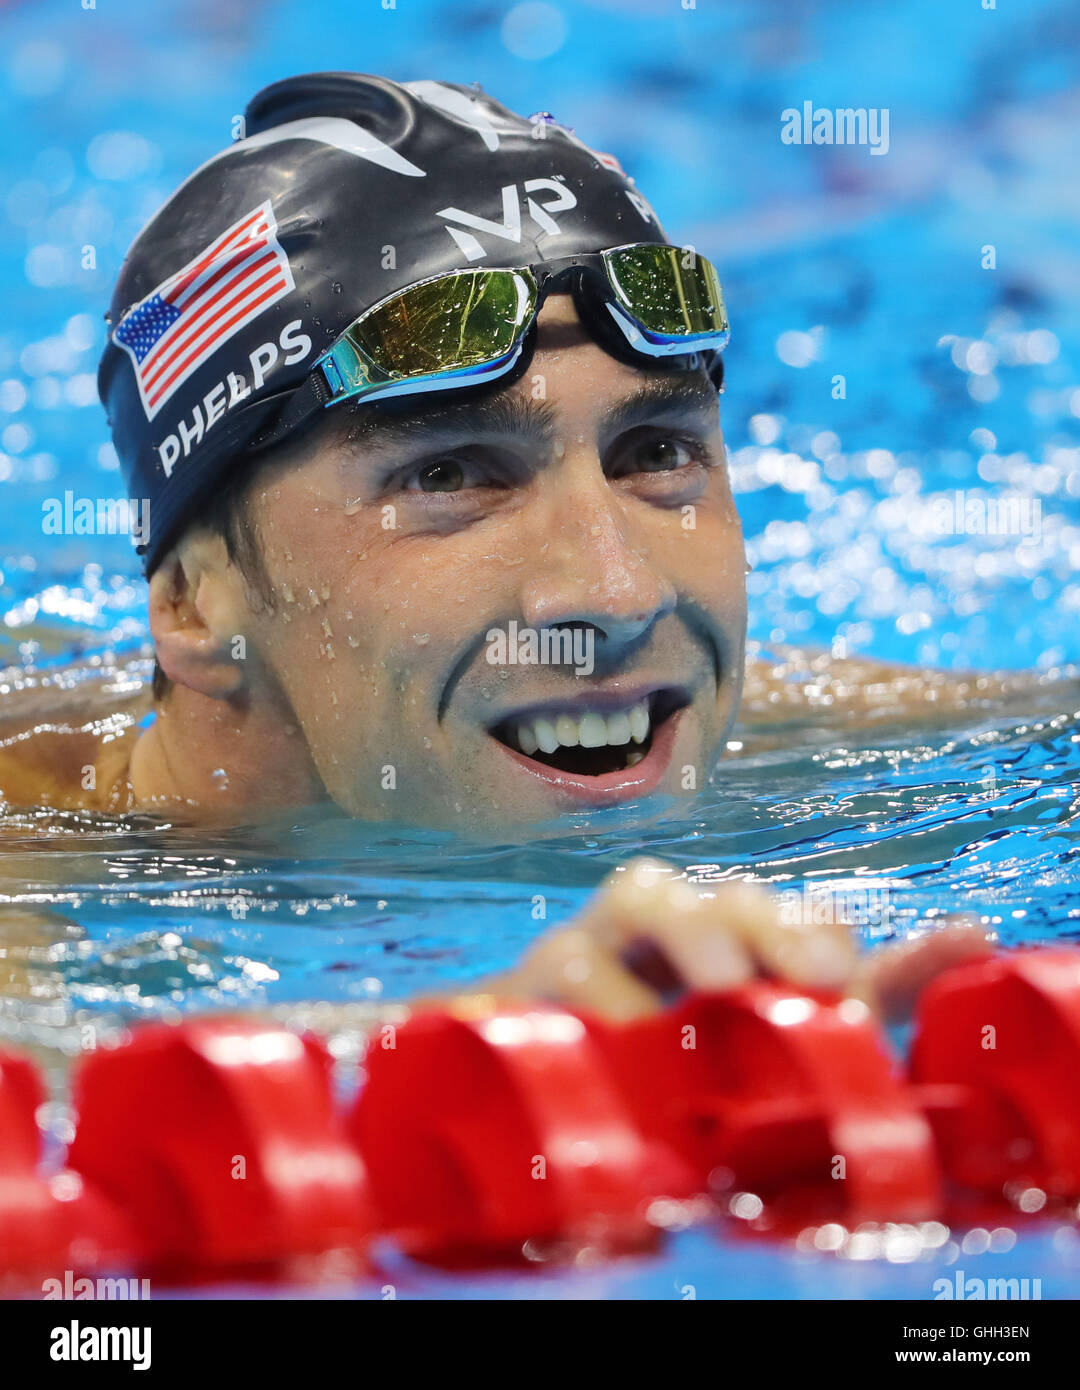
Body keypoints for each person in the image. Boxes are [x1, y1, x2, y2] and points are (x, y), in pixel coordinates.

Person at [1, 73, 1002, 1027]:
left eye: (654, 453)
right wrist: (492, 1039)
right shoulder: (36, 857)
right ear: (191, 603)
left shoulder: (831, 739)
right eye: (450, 477)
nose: (617, 598)